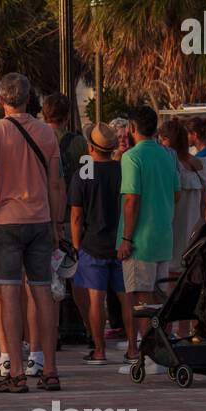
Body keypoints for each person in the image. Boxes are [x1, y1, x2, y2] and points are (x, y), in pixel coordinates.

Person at [0, 73, 66, 393]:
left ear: (2, 101)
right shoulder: (46, 132)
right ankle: (50, 370)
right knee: (43, 292)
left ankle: (14, 370)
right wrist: (57, 223)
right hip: (41, 220)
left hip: (6, 220)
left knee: (9, 292)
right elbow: (57, 183)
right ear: (29, 98)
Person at [116, 105, 180, 372]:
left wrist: (126, 238)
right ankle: (161, 351)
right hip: (163, 236)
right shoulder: (168, 155)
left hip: (139, 240)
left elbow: (131, 199)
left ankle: (149, 355)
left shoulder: (131, 157)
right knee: (159, 297)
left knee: (140, 301)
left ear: (132, 128)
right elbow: (176, 193)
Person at [69, 122, 132, 364]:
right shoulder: (121, 169)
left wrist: (76, 245)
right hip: (120, 243)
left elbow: (76, 215)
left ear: (90, 146)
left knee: (96, 300)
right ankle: (133, 349)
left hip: (92, 243)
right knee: (125, 297)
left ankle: (99, 350)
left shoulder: (84, 171)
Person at [158, 117, 206, 296]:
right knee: (189, 289)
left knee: (170, 289)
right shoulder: (200, 164)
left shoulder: (169, 166)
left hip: (172, 229)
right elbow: (205, 202)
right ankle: (186, 325)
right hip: (195, 230)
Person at [41, 92, 87, 193]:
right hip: (71, 201)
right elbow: (88, 176)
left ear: (44, 115)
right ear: (67, 116)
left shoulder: (35, 139)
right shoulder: (80, 142)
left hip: (42, 203)